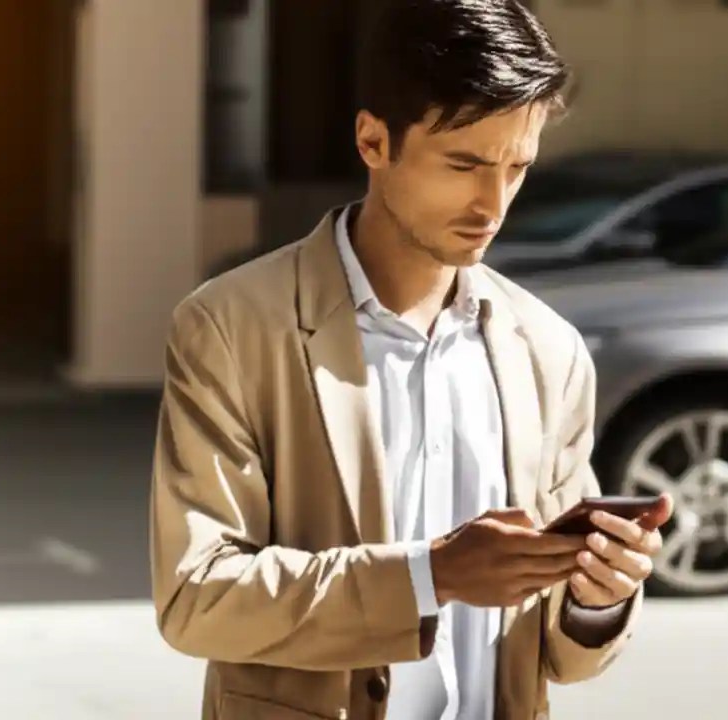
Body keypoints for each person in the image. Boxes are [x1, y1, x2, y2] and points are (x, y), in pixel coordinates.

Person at [150, 1, 673, 718]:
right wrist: (430, 576)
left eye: (517, 167)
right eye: (464, 163)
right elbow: (197, 597)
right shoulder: (232, 327)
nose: (492, 203)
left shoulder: (548, 350)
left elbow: (558, 653)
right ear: (373, 140)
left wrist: (597, 596)